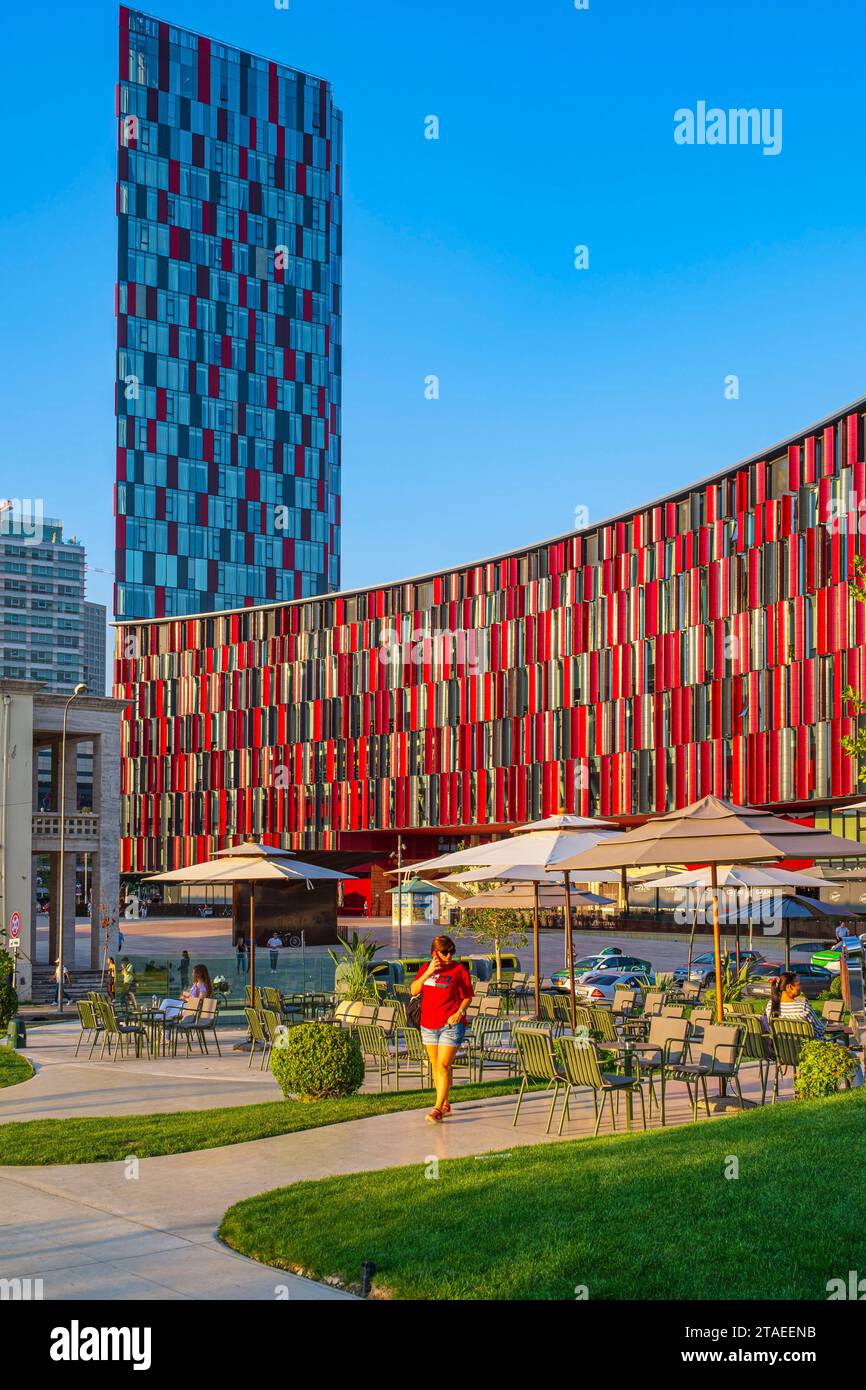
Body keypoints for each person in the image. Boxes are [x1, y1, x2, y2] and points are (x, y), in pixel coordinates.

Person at [411, 935, 473, 1123]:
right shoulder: (426, 969)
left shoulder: (459, 970)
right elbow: (414, 990)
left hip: (450, 1025)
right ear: (435, 953)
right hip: (428, 1025)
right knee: (436, 1066)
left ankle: (437, 1109)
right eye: (445, 952)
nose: (449, 956)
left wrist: (460, 1013)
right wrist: (428, 972)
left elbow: (468, 996)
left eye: (451, 952)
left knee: (443, 1065)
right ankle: (445, 1102)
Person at [765, 972, 824, 1037]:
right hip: (806, 1045)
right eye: (799, 984)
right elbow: (820, 1029)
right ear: (790, 987)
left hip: (781, 1045)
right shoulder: (802, 1007)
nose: (801, 987)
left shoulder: (770, 1005)